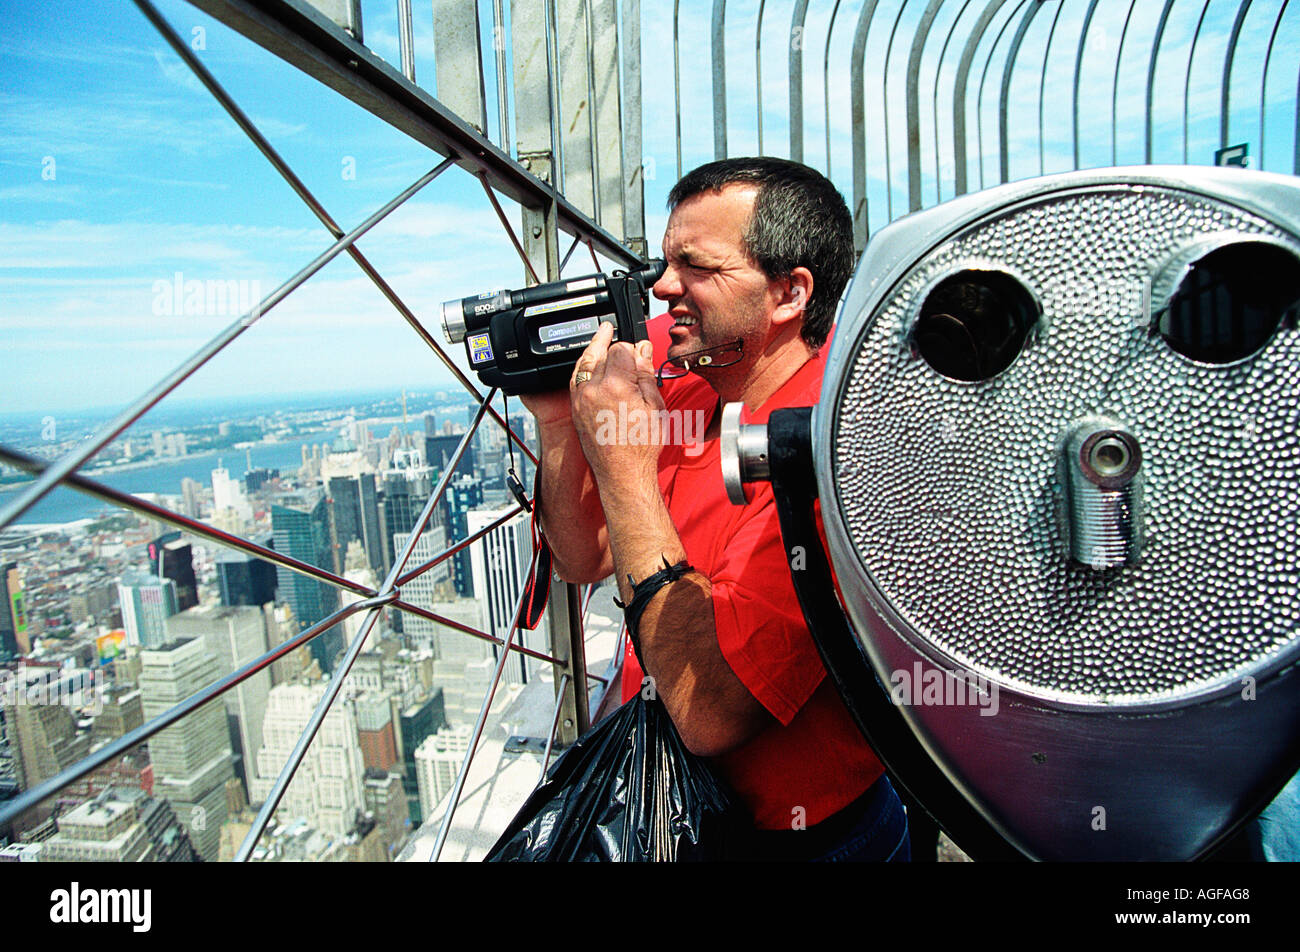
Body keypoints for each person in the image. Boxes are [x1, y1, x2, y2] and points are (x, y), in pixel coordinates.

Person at [521, 156, 908, 861]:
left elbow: (710, 709)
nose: (664, 287)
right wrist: (557, 421)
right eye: (665, 261)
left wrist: (628, 466)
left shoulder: (832, 444)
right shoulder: (697, 383)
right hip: (677, 807)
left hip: (801, 838)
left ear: (790, 294)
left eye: (696, 266)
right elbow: (584, 559)